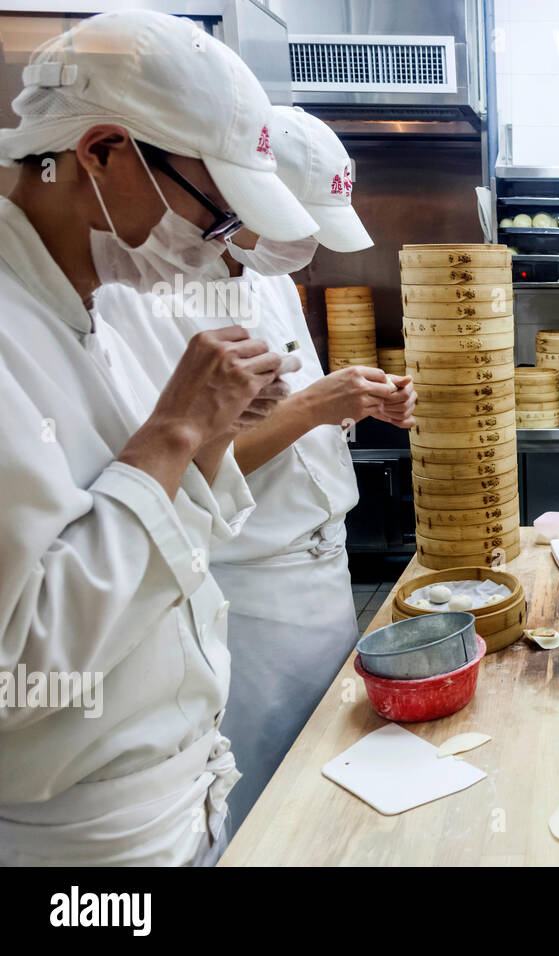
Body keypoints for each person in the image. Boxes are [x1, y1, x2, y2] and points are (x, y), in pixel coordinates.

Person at [0, 10, 318, 865]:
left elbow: (173, 537)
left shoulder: (109, 304)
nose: (219, 254)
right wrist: (178, 428)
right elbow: (16, 661)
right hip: (77, 834)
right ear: (102, 152)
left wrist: (213, 434)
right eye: (213, 217)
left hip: (179, 785)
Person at [98, 105, 416, 831]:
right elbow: (181, 474)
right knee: (270, 795)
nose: (299, 246)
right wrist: (313, 407)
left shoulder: (265, 275)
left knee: (335, 767)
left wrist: (350, 402)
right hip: (247, 582)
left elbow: (279, 404)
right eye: (288, 225)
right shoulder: (141, 295)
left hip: (321, 562)